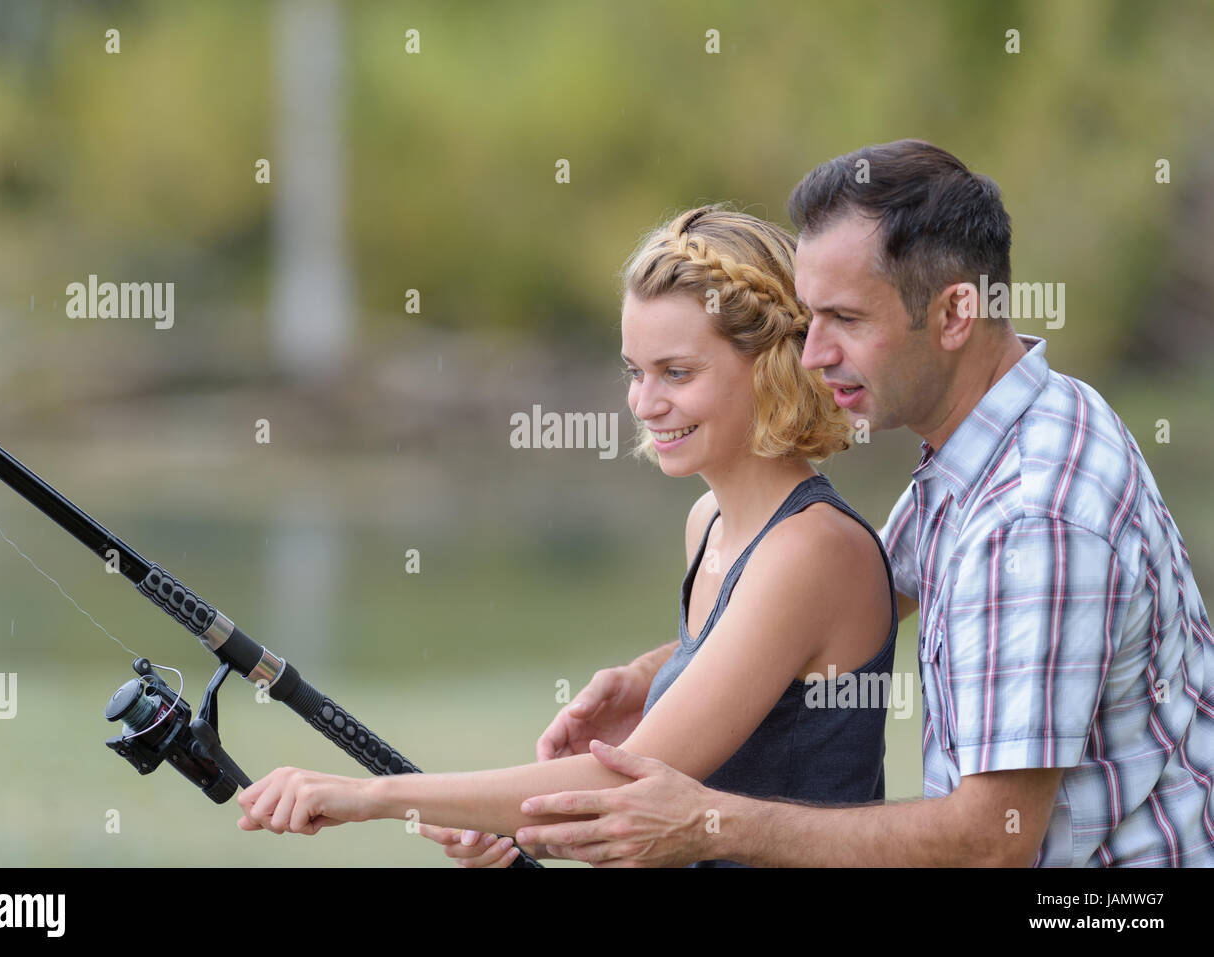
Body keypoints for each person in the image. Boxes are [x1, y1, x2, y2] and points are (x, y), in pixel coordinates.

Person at [505, 140, 1214, 867]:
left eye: (845, 318)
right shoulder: (1004, 436)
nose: (811, 353)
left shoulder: (1032, 513)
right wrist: (664, 672)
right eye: (811, 317)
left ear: (955, 313)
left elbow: (988, 843)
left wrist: (708, 822)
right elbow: (827, 594)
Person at [234, 206, 900, 867]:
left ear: (769, 367)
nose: (644, 402)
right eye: (635, 371)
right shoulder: (710, 523)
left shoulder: (812, 549)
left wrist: (368, 796)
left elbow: (624, 784)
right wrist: (516, 830)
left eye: (676, 372)